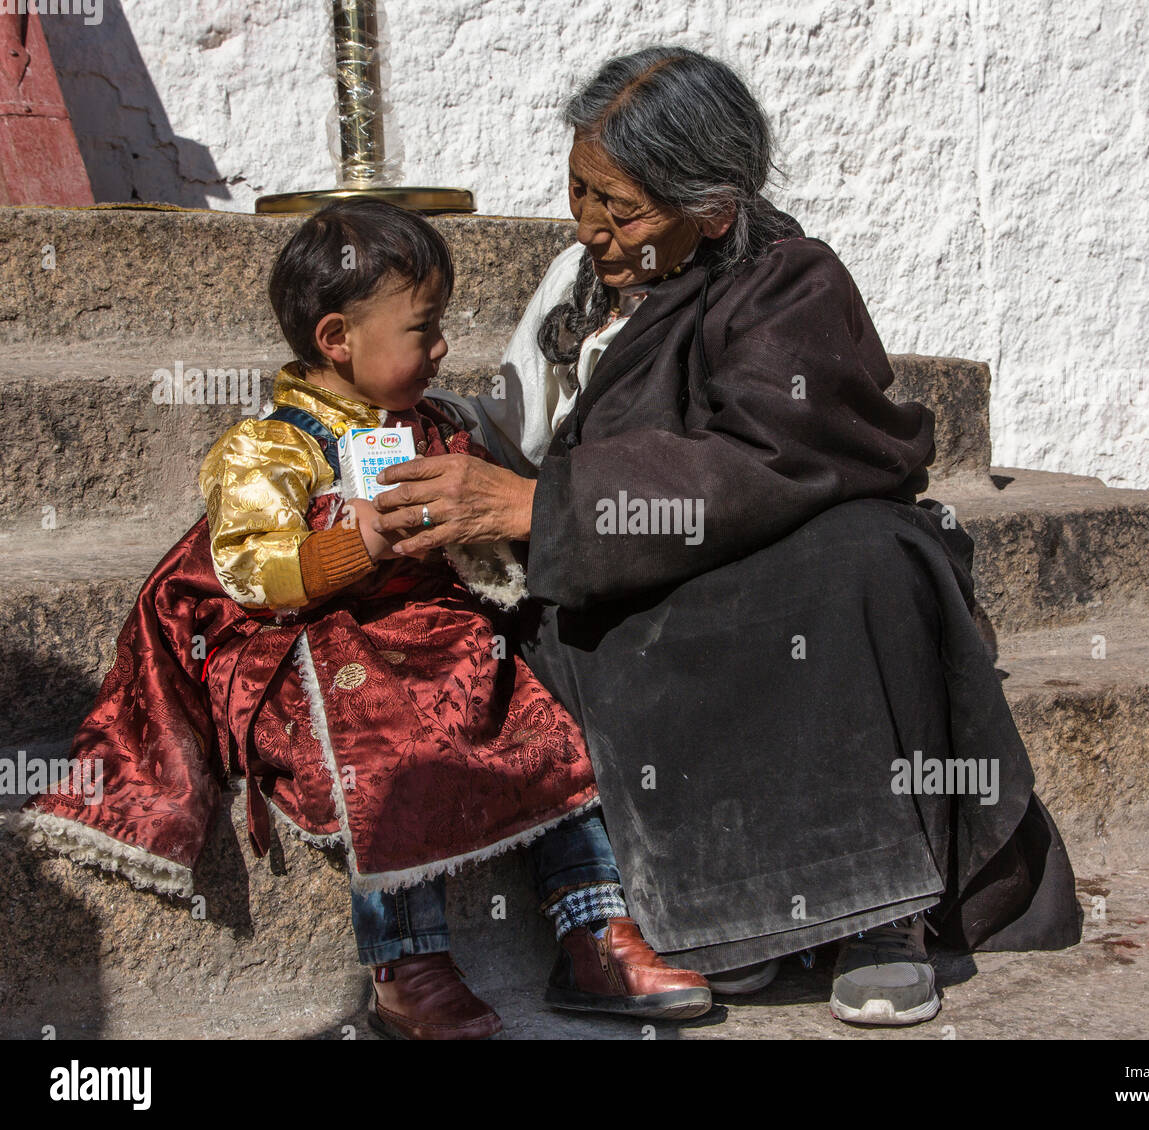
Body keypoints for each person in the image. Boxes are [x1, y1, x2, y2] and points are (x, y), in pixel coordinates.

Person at [372, 47, 1083, 1027]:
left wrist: (542, 509)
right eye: (580, 191)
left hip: (767, 570)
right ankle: (692, 921)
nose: (590, 226)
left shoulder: (789, 283)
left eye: (621, 209)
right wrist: (405, 453)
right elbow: (508, 434)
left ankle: (883, 915)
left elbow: (769, 455)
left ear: (712, 208)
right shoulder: (572, 287)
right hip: (627, 587)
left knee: (876, 555)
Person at [12, 197, 711, 1040]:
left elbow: (484, 545)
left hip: (432, 635)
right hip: (315, 652)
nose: (442, 346)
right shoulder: (265, 450)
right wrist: (359, 542)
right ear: (338, 340)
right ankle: (407, 963)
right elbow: (252, 568)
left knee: (542, 714)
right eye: (423, 328)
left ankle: (592, 927)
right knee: (384, 744)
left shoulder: (432, 423)